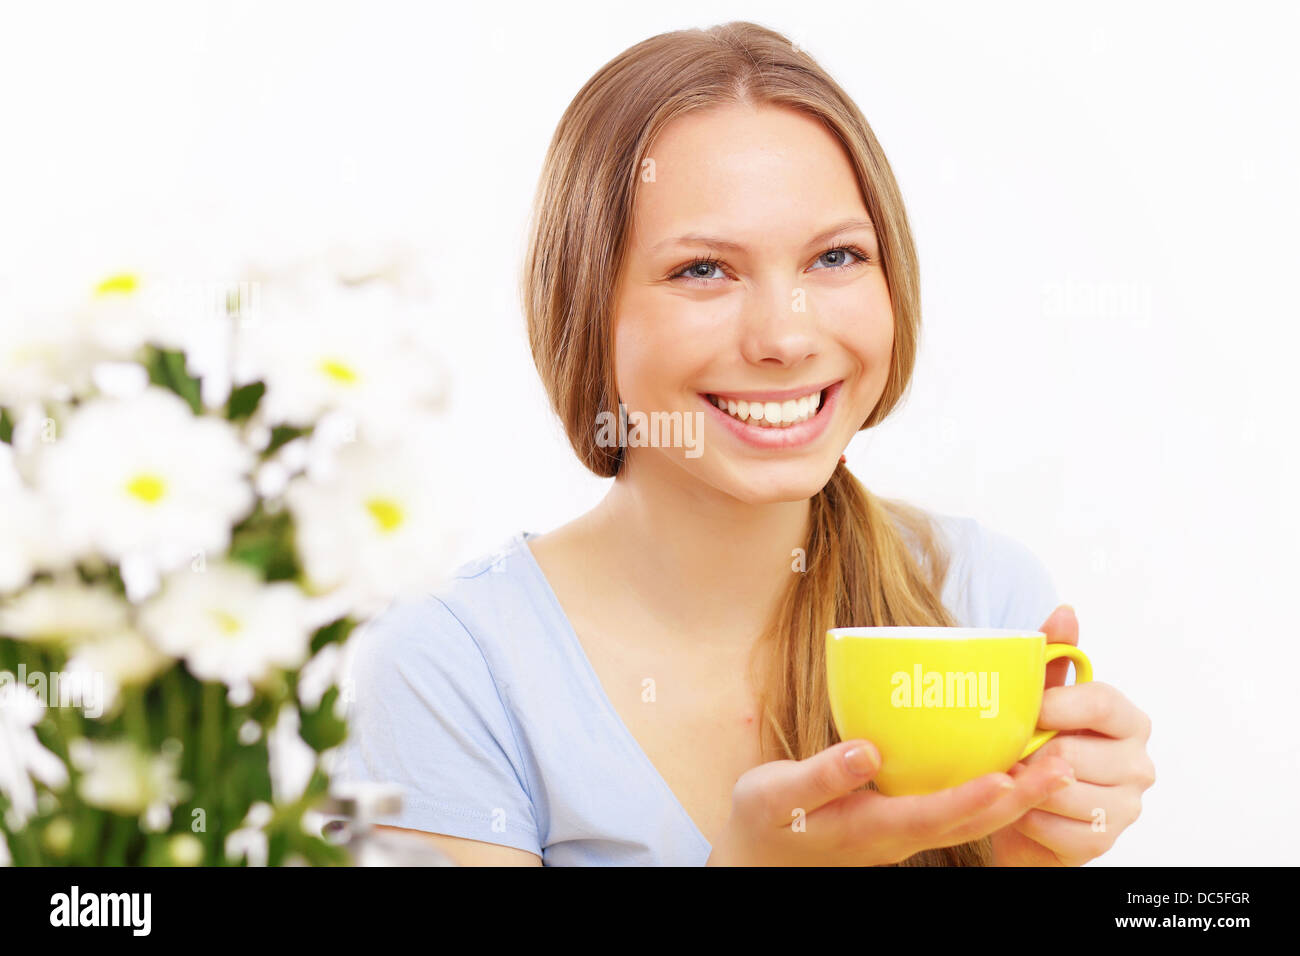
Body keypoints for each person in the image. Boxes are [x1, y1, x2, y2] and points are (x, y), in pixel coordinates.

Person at [337, 20, 1155, 866]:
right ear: (588, 310)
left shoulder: (976, 598)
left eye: (835, 257)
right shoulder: (445, 671)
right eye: (703, 270)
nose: (784, 338)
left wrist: (1027, 855)